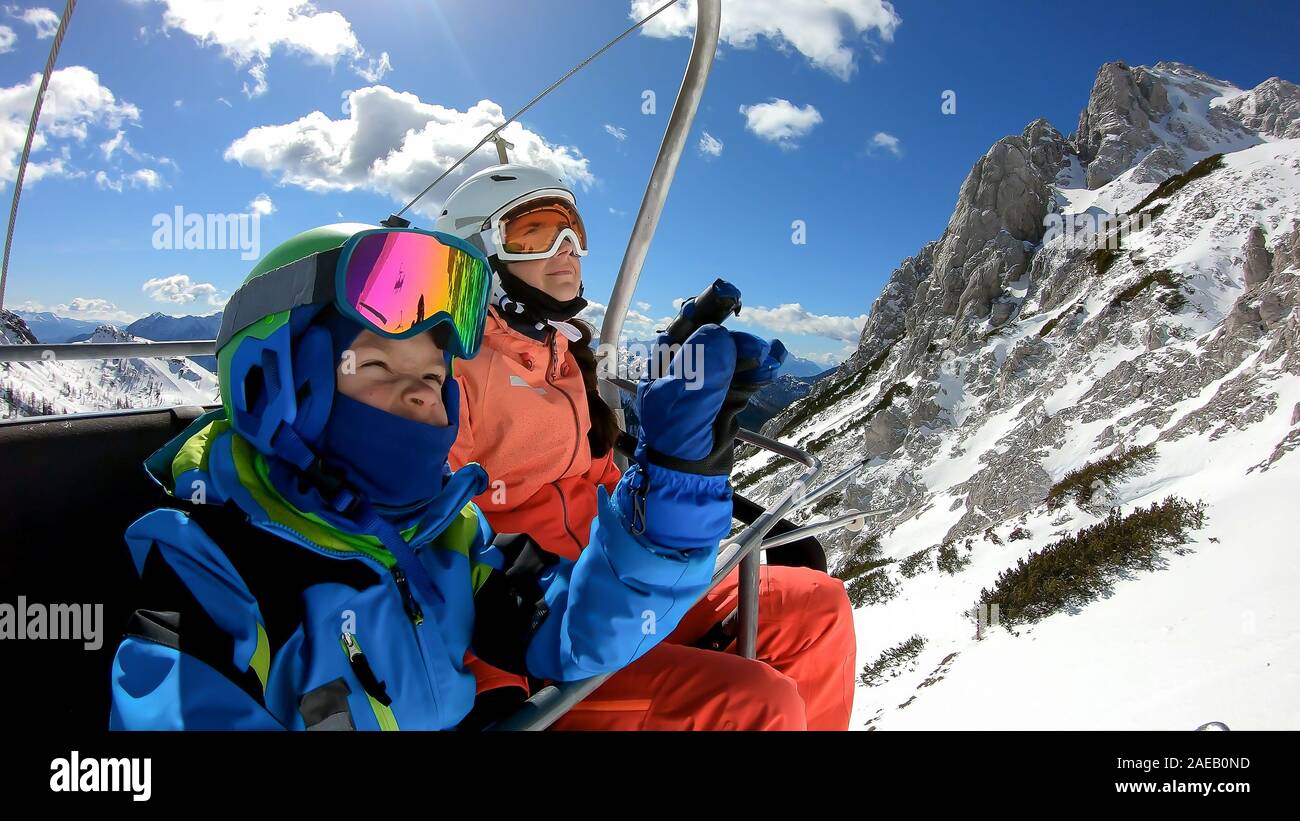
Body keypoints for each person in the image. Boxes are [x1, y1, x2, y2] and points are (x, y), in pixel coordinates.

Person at [108, 223, 744, 730]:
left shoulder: (450, 535)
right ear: (275, 381)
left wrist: (677, 482)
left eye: (434, 378)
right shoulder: (208, 570)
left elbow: (574, 630)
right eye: (378, 365)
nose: (418, 397)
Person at [439, 164, 857, 730]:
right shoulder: (447, 374)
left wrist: (659, 449)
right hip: (542, 633)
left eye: (574, 232)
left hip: (611, 579)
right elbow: (437, 541)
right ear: (476, 251)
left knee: (819, 607)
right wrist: (497, 684)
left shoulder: (561, 358)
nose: (567, 249)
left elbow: (599, 480)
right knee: (756, 702)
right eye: (535, 232)